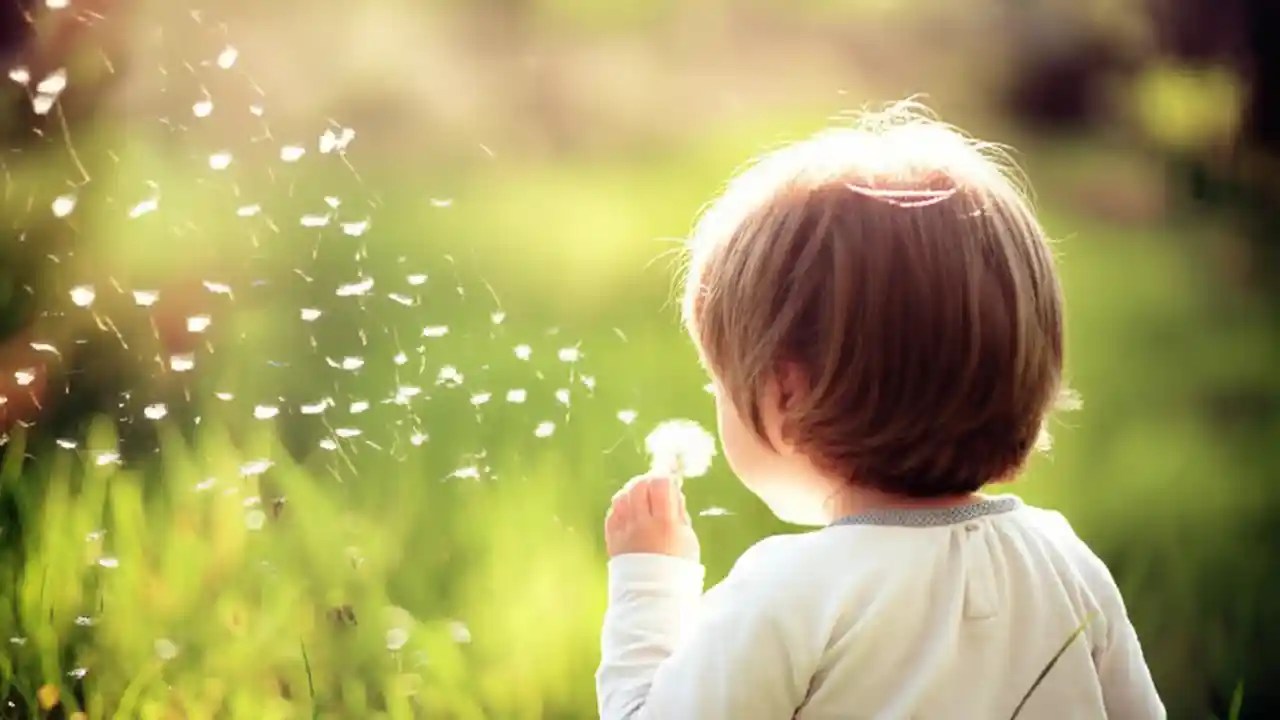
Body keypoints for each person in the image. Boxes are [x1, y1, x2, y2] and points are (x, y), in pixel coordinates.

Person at [597, 102, 1165, 719]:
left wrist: (649, 584)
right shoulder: (1063, 563)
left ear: (786, 394)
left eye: (719, 383)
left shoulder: (789, 590)